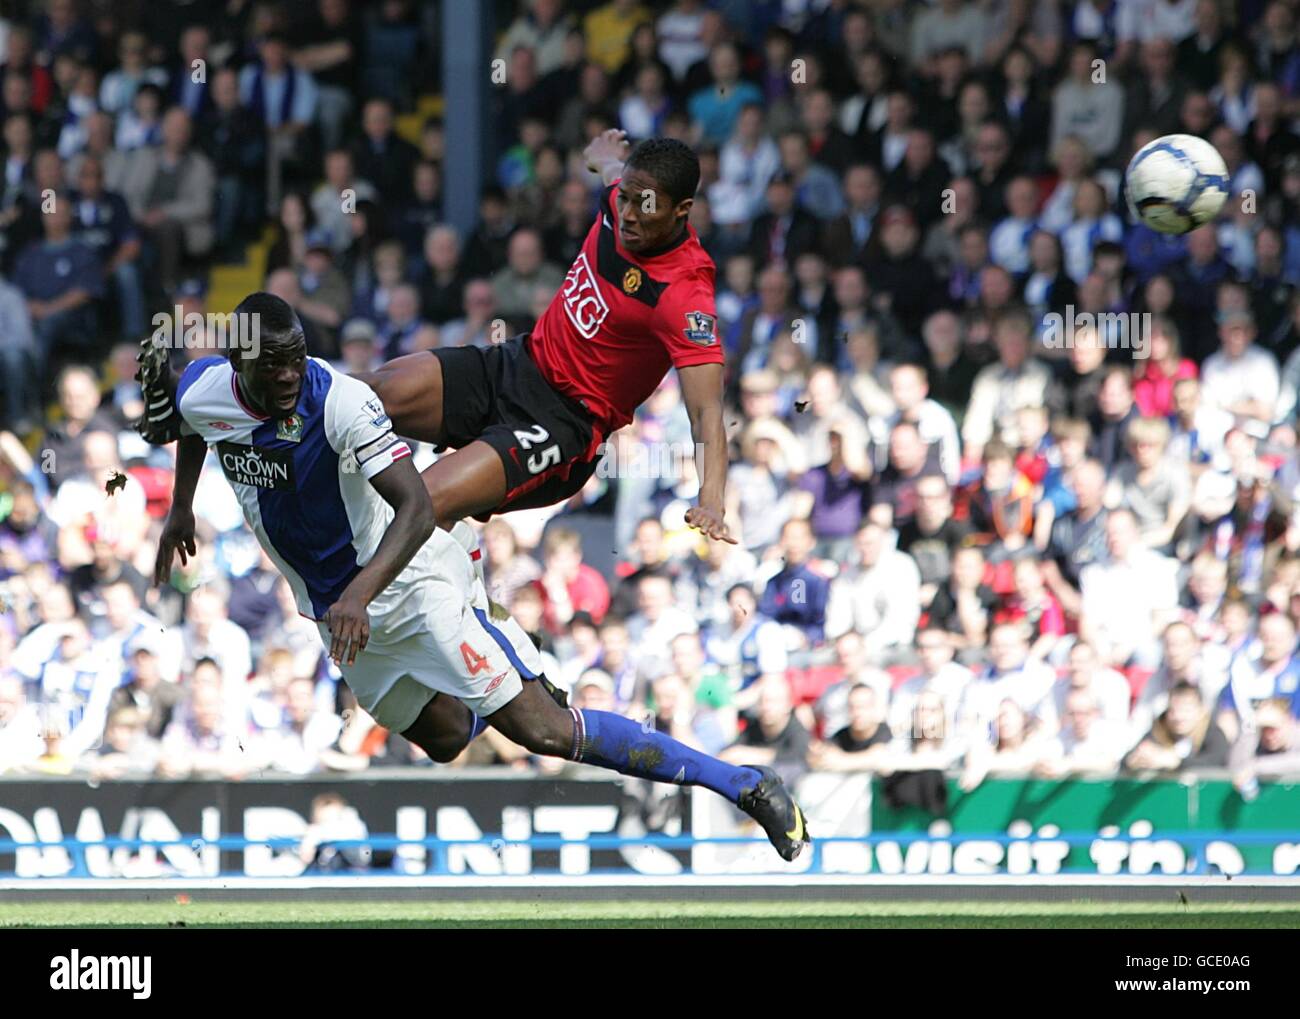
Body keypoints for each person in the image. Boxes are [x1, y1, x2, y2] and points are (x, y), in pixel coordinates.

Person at [154, 293, 808, 860]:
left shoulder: (340, 403)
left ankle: (743, 782)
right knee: (442, 740)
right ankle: (494, 637)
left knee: (544, 730)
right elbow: (190, 420)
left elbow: (416, 506)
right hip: (342, 616)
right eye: (276, 364)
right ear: (240, 364)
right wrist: (181, 507)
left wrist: (359, 593)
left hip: (407, 585)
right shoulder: (208, 388)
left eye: (299, 354)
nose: (294, 371)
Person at [139, 131, 735, 549]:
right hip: (515, 364)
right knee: (364, 393)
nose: (627, 213)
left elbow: (708, 413)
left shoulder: (685, 295)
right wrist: (607, 158)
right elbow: (614, 175)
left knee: (420, 500)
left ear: (682, 211)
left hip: (563, 427)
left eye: (644, 205)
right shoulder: (622, 198)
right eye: (624, 196)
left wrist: (710, 497)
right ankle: (218, 404)